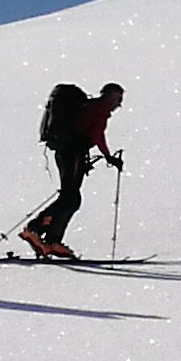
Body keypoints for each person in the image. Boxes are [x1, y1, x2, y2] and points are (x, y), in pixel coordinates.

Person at [21, 80, 123, 259]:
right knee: (70, 197)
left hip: (68, 152)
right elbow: (97, 134)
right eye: (118, 99)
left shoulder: (91, 106)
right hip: (72, 153)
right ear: (109, 96)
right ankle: (35, 230)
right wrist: (108, 156)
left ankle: (50, 240)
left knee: (71, 198)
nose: (119, 104)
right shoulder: (100, 108)